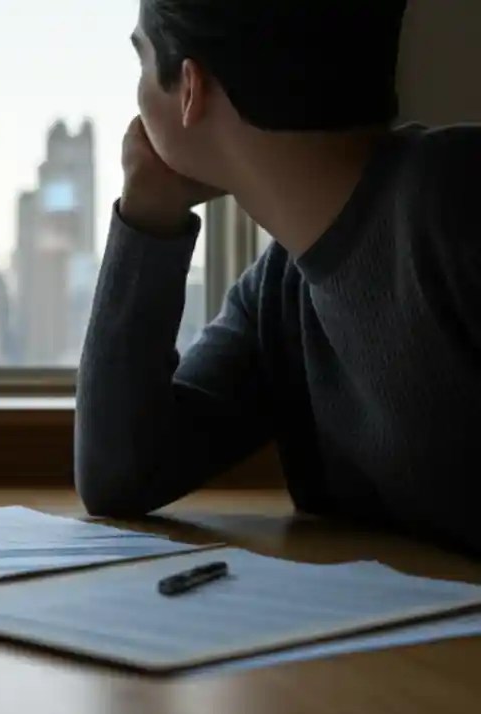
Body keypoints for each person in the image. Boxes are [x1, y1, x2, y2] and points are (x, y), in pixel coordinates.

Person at [75, 0, 481, 555]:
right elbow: (119, 476)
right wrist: (147, 220)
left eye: (144, 63)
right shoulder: (280, 292)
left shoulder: (460, 203)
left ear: (189, 89)